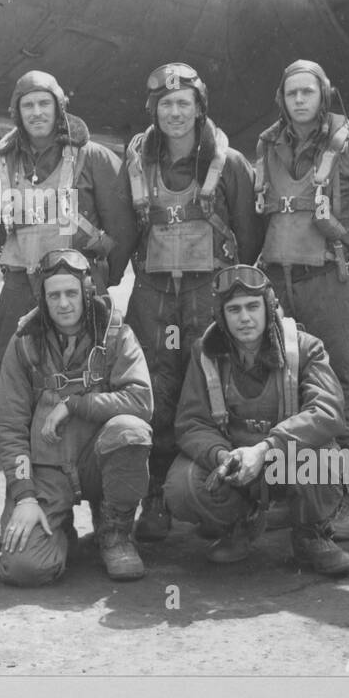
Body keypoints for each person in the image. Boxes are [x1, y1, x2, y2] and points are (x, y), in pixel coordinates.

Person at [119, 62, 266, 545]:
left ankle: (220, 495)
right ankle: (156, 497)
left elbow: (249, 237)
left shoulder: (232, 165)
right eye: (166, 105)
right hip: (154, 296)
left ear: (199, 108)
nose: (175, 112)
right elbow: (125, 232)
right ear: (154, 111)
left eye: (184, 104)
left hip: (209, 294)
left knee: (214, 390)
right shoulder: (138, 163)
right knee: (154, 395)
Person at [254, 60, 349, 540]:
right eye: (291, 92)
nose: (299, 100)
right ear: (282, 98)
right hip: (277, 285)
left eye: (307, 92)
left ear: (323, 95)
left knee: (344, 389)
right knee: (284, 390)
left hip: (330, 284)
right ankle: (291, 491)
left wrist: (345, 261)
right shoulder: (266, 147)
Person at [164, 264, 349, 576]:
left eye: (253, 307)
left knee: (327, 458)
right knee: (182, 484)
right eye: (234, 309)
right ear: (221, 315)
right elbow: (192, 423)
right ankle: (241, 522)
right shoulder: (205, 354)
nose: (244, 318)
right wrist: (222, 457)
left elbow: (328, 411)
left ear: (268, 308)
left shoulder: (305, 347)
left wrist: (266, 449)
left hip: (286, 461)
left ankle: (311, 533)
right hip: (237, 465)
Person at [0, 249, 153, 586]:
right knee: (25, 568)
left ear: (86, 294)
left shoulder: (116, 335)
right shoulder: (24, 343)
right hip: (46, 470)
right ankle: (58, 525)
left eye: (71, 293)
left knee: (131, 431)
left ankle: (115, 533)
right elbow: (10, 426)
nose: (64, 303)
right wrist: (24, 495)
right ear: (43, 298)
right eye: (54, 295)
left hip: (97, 461)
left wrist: (77, 404)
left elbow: (141, 401)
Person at [0, 70, 136, 364]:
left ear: (59, 107)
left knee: (92, 365)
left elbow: (123, 229)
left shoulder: (93, 157)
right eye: (27, 106)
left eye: (45, 103)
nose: (37, 112)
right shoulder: (4, 163)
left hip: (80, 282)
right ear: (17, 113)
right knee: (9, 364)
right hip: (20, 282)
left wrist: (103, 277)